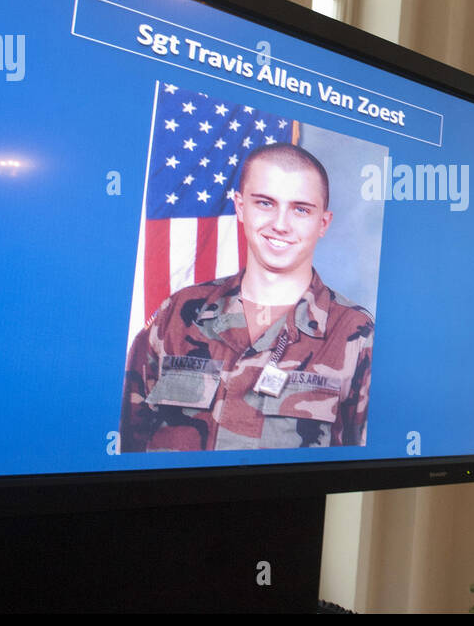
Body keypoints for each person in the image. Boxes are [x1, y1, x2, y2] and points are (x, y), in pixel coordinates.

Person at [121, 143, 374, 451]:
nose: (280, 224)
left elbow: (362, 462)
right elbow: (129, 445)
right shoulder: (177, 313)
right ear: (240, 207)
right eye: (265, 203)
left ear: (323, 222)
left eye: (301, 209)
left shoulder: (356, 333)